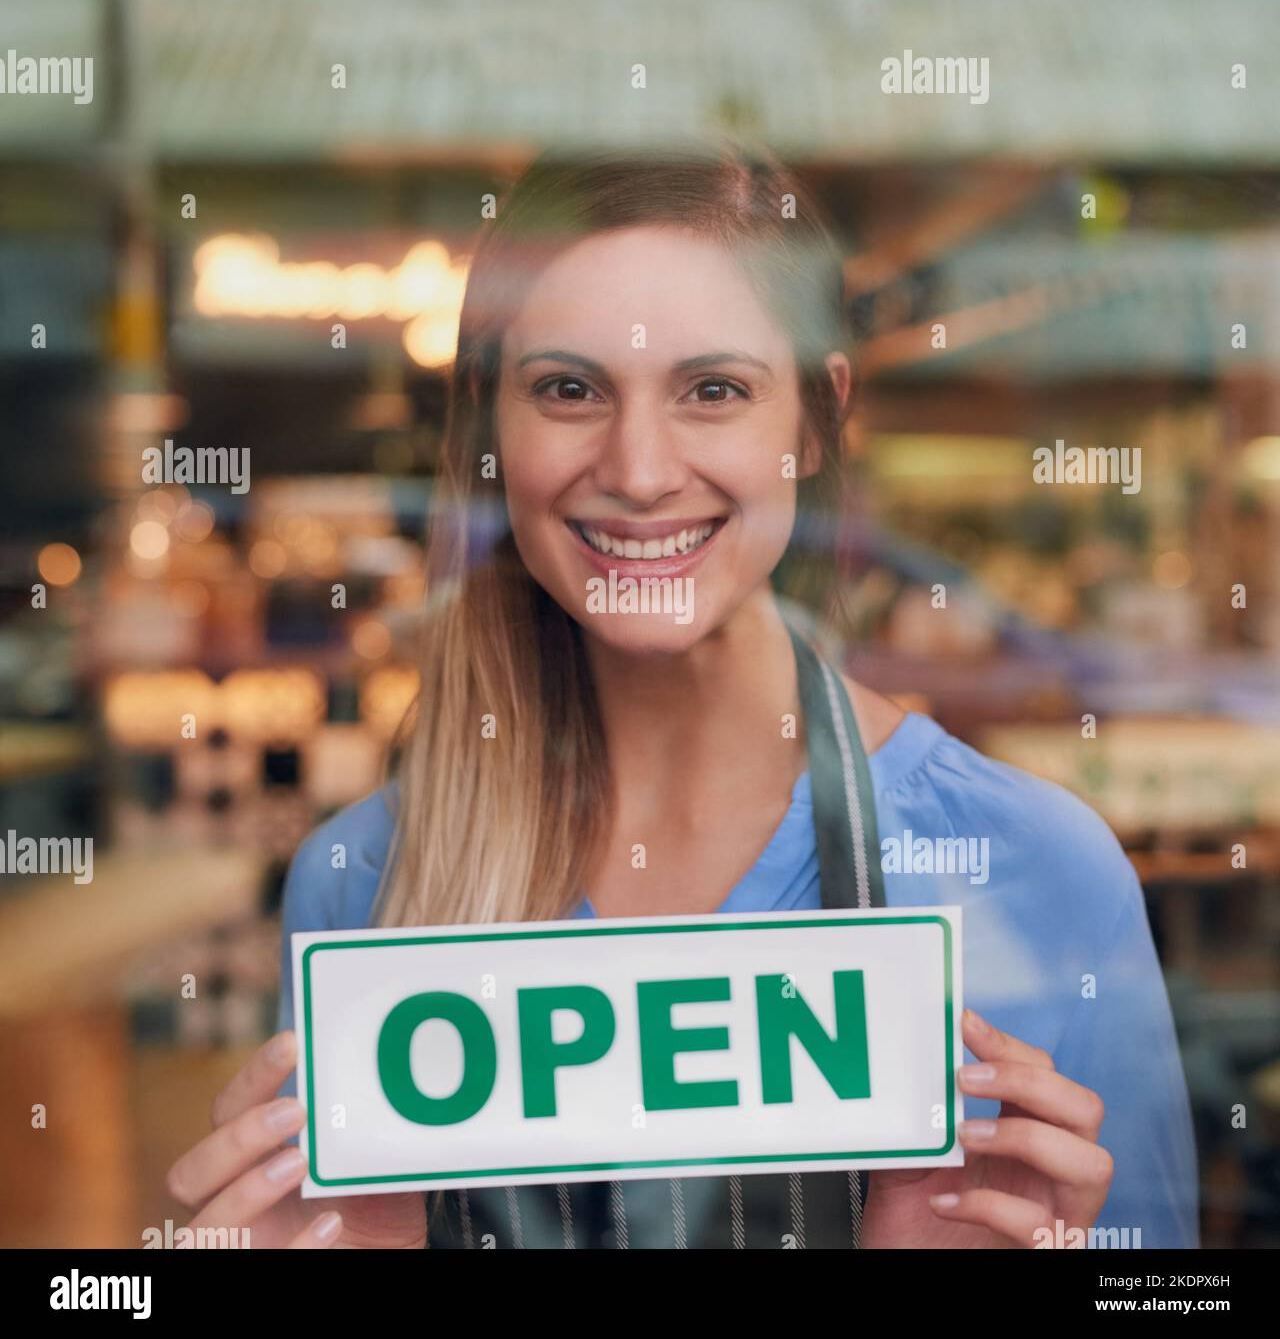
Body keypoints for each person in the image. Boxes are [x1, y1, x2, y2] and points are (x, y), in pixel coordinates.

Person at [166, 145, 1199, 1249]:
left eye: (712, 390)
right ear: (485, 427)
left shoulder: (1037, 869)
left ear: (812, 416)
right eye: (567, 389)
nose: (641, 468)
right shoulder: (362, 884)